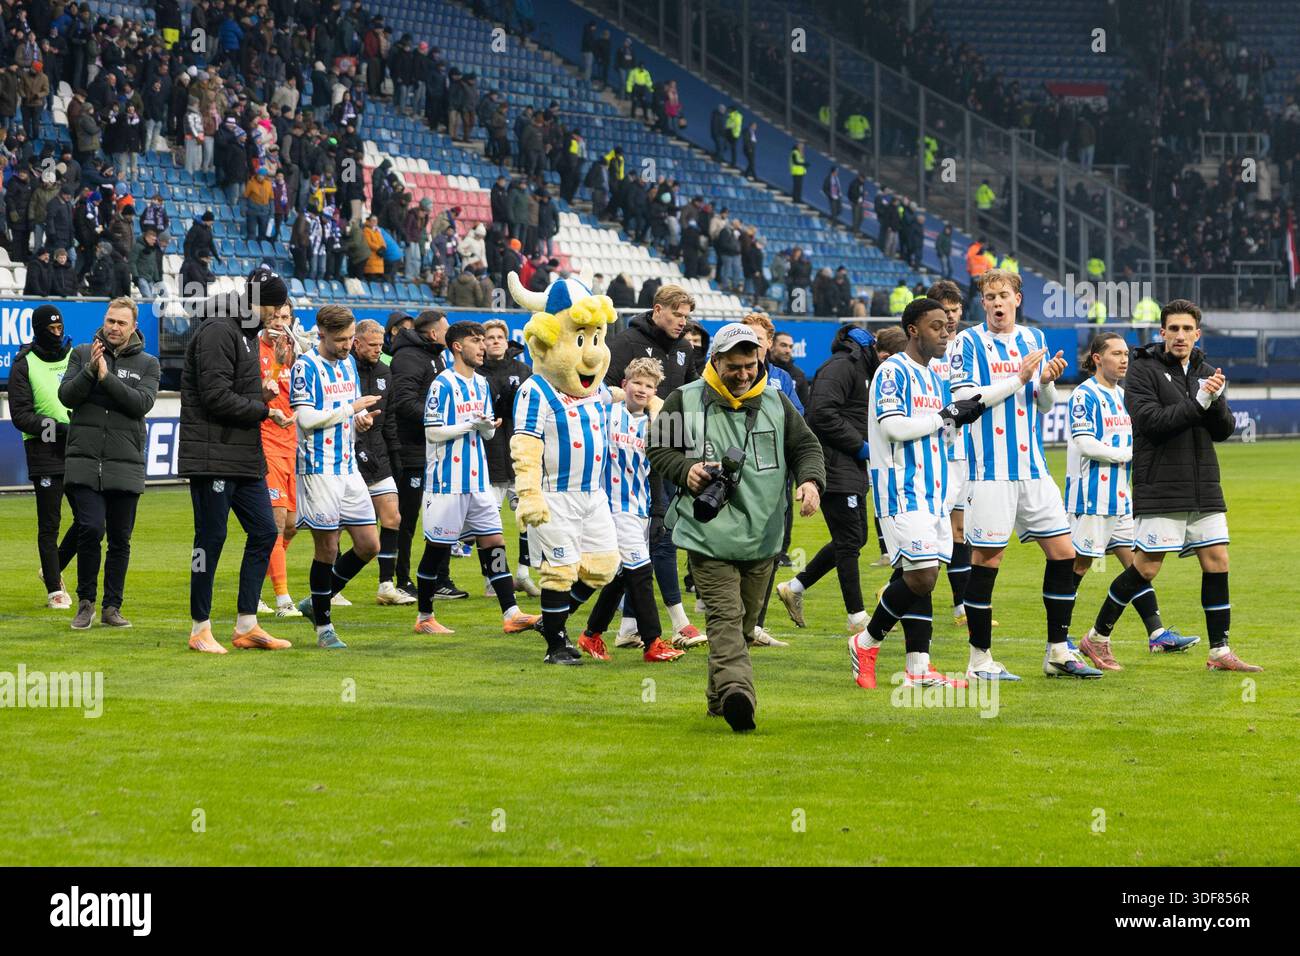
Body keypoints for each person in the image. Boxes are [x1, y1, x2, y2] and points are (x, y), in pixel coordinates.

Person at [648, 324, 824, 731]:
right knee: (726, 619)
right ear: (715, 361)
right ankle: (738, 696)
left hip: (763, 536)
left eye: (750, 365)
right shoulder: (685, 400)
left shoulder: (777, 402)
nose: (744, 374)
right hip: (707, 534)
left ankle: (717, 695)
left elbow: (806, 447)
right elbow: (658, 447)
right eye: (734, 367)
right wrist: (685, 469)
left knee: (743, 627)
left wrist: (811, 481)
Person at [1080, 300, 1259, 672]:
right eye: (1172, 329)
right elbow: (1153, 423)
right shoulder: (1143, 371)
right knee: (1145, 568)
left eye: (1186, 329)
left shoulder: (1205, 370)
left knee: (1217, 561)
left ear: (1198, 333)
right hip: (1161, 484)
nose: (1180, 335)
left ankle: (1219, 651)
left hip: (1204, 483)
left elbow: (1222, 430)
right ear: (1162, 333)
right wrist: (1200, 401)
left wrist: (1215, 399)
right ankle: (1096, 637)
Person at [949, 270, 1100, 680]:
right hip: (989, 472)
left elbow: (1044, 404)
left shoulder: (1033, 339)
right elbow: (965, 401)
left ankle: (1057, 652)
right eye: (989, 296)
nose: (996, 303)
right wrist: (1017, 377)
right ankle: (979, 660)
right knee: (987, 559)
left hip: (1033, 470)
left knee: (1064, 554)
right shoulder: (967, 342)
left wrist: (1047, 382)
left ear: (1017, 298)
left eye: (1003, 295)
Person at [848, 298, 989, 689]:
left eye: (949, 326)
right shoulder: (893, 371)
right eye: (937, 326)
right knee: (923, 574)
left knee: (919, 573)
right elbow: (894, 428)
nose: (947, 332)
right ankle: (865, 641)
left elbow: (937, 431)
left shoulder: (935, 376)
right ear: (913, 330)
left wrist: (958, 420)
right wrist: (945, 416)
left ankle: (918, 670)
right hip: (901, 489)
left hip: (934, 493)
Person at [181, 268, 295, 654]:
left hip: (245, 455)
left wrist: (265, 395)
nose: (276, 316)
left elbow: (240, 394)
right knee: (209, 540)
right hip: (213, 455)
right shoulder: (218, 330)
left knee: (265, 532)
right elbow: (214, 396)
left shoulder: (245, 335)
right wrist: (263, 411)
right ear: (258, 302)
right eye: (274, 307)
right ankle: (200, 627)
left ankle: (247, 624)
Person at [414, 321, 541, 636]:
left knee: (494, 543)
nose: (483, 346)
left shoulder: (482, 384)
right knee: (437, 548)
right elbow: (432, 431)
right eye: (476, 340)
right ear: (457, 346)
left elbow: (483, 431)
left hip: (477, 479)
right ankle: (424, 617)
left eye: (484, 340)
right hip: (446, 482)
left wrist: (487, 426)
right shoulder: (442, 384)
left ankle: (511, 613)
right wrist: (470, 424)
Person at [604, 285, 705, 648]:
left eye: (686, 315)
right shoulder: (627, 341)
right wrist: (649, 407)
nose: (683, 322)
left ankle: (627, 625)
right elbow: (602, 387)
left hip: (672, 452)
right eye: (677, 314)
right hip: (630, 454)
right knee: (658, 538)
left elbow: (693, 394)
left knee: (650, 543)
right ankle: (677, 621)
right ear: (657, 309)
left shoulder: (685, 348)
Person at [57, 298, 160, 630]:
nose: (114, 328)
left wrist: (107, 378)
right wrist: (91, 371)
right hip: (83, 461)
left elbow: (140, 403)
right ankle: (85, 601)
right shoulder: (82, 354)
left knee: (120, 538)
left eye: (121, 323)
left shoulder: (149, 364)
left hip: (125, 463)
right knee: (89, 528)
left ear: (134, 328)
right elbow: (66, 396)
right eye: (110, 321)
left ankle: (112, 607)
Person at [575, 358, 685, 662]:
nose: (642, 389)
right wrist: (617, 393)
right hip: (609, 507)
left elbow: (661, 467)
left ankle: (587, 633)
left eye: (649, 386)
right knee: (641, 572)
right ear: (625, 384)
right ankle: (654, 642)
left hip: (640, 507)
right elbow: (590, 393)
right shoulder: (606, 412)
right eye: (636, 382)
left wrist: (659, 511)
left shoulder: (656, 423)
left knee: (619, 575)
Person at [776, 324, 879, 635]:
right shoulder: (841, 367)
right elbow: (821, 414)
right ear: (867, 346)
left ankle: (795, 586)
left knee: (856, 537)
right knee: (850, 540)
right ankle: (857, 616)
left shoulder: (856, 368)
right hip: (836, 463)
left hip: (850, 465)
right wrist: (858, 445)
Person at [290, 306, 382, 648]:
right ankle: (324, 628)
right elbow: (306, 419)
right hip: (318, 469)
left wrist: (359, 423)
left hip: (347, 466)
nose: (347, 346)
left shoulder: (348, 364)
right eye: (341, 340)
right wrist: (350, 410)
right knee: (327, 548)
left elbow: (346, 414)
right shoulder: (306, 366)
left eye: (350, 338)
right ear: (322, 334)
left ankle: (317, 600)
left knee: (369, 545)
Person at [9, 305, 79, 609]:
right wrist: (60, 429)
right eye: (51, 329)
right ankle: (55, 589)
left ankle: (53, 568)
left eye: (59, 327)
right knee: (49, 523)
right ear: (38, 329)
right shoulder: (24, 364)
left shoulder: (75, 355)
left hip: (79, 450)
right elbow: (21, 415)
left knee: (92, 520)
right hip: (45, 451)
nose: (57, 333)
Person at [351, 319, 414, 606]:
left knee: (393, 518)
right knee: (340, 526)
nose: (378, 349)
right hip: (349, 453)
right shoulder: (345, 368)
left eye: (380, 345)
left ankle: (386, 585)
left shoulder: (384, 372)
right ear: (357, 343)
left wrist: (395, 455)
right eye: (372, 345)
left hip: (378, 455)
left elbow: (388, 420)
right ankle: (333, 588)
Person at [389, 309, 449, 599]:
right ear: (434, 333)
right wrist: (439, 419)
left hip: (431, 449)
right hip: (411, 450)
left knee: (438, 517)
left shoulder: (433, 354)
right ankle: (399, 579)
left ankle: (439, 580)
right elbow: (404, 402)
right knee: (407, 519)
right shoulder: (410, 357)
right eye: (445, 329)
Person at [481, 319, 540, 597]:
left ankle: (523, 574)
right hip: (488, 459)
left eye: (499, 337)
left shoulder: (522, 370)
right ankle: (495, 578)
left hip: (519, 457)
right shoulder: (476, 373)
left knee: (526, 519)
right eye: (489, 337)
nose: (494, 341)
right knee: (490, 524)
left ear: (507, 342)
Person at [256, 300, 304, 619]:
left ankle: (253, 588)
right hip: (266, 442)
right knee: (273, 525)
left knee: (292, 525)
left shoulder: (294, 353)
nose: (278, 321)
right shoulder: (252, 349)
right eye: (273, 316)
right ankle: (283, 599)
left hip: (293, 445)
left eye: (284, 317)